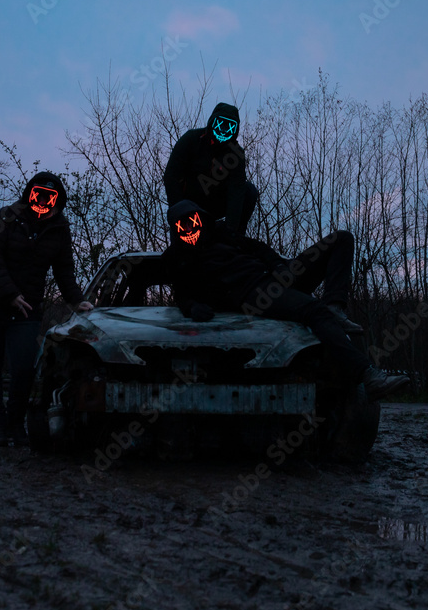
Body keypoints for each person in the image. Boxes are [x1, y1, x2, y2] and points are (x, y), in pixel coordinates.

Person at [163, 200, 409, 400]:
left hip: (275, 274)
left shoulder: (221, 233)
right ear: (175, 229)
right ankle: (369, 376)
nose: (189, 228)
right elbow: (181, 294)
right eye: (181, 225)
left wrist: (279, 265)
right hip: (255, 293)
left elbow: (259, 248)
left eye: (192, 221)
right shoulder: (177, 257)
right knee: (314, 311)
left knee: (341, 238)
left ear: (200, 219)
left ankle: (335, 306)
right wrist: (193, 306)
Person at [0, 171, 93, 447]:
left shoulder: (60, 229)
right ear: (30, 194)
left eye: (50, 196)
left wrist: (76, 300)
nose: (44, 200)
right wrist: (10, 293)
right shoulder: (7, 216)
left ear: (59, 201)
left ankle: (15, 424)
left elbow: (64, 269)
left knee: (24, 367)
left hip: (26, 309)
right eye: (39, 194)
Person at [163, 102, 259, 234]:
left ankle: (235, 238)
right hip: (188, 203)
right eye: (220, 124)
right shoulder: (191, 139)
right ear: (212, 122)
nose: (224, 130)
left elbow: (236, 191)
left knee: (249, 191)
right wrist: (179, 213)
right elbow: (171, 176)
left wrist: (231, 230)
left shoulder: (236, 154)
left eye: (230, 126)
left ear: (235, 129)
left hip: (215, 203)